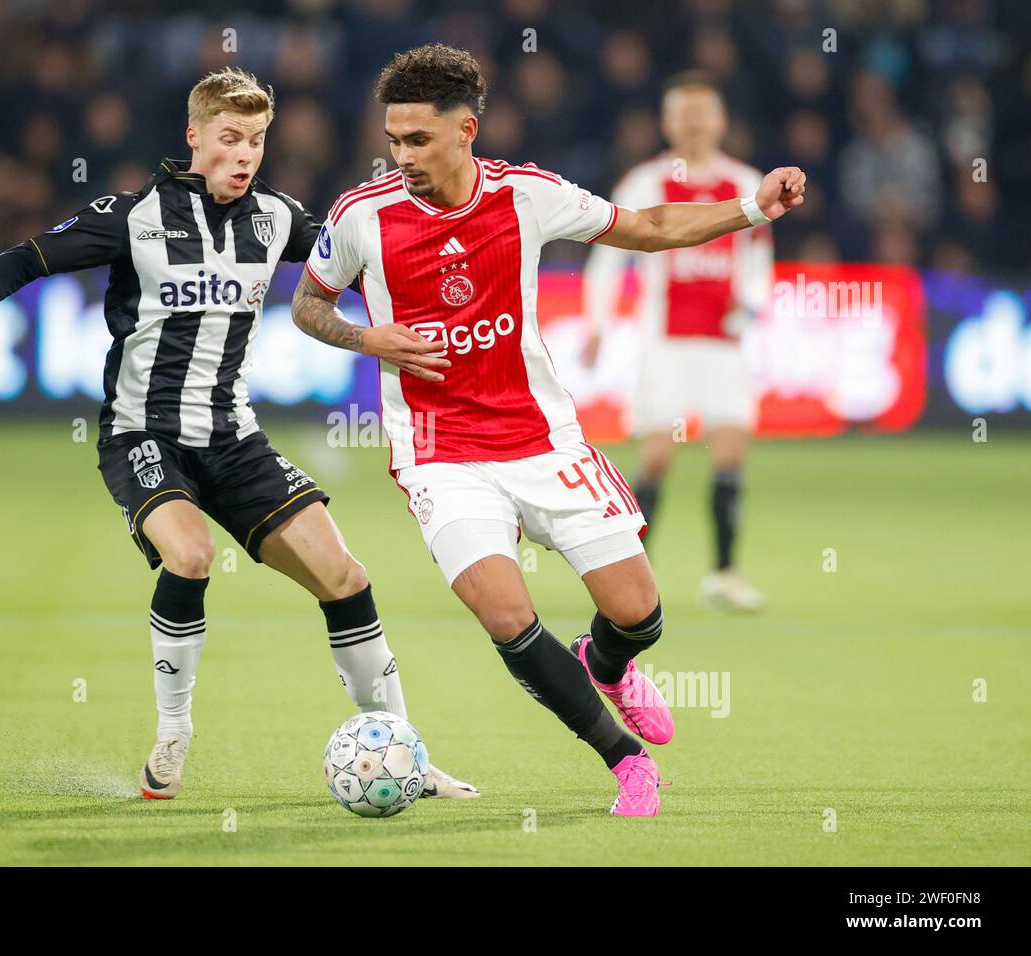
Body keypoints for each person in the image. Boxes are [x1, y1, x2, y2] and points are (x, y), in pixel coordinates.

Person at [0, 67, 477, 802]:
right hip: (142, 434)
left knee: (347, 578)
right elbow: (31, 255)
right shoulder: (134, 216)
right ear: (195, 138)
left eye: (256, 139)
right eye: (230, 139)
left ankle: (406, 754)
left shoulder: (278, 219)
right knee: (190, 555)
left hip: (234, 438)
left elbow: (361, 258)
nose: (244, 154)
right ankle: (174, 731)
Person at [291, 45, 804, 816]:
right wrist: (371, 340)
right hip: (440, 454)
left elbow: (652, 227)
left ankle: (606, 662)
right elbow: (309, 305)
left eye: (419, 140)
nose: (401, 156)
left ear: (466, 130)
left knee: (639, 611)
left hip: (542, 438)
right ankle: (627, 761)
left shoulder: (526, 196)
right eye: (394, 139)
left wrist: (754, 208)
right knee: (505, 613)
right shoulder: (362, 216)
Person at [582, 71, 772, 611]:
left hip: (724, 344)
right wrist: (597, 322)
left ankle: (726, 573)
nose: (693, 125)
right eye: (683, 116)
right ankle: (635, 578)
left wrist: (751, 303)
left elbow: (758, 258)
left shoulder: (747, 182)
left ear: (720, 120)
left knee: (731, 448)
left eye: (702, 114)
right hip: (664, 344)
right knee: (658, 457)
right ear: (668, 123)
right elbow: (606, 256)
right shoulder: (643, 183)